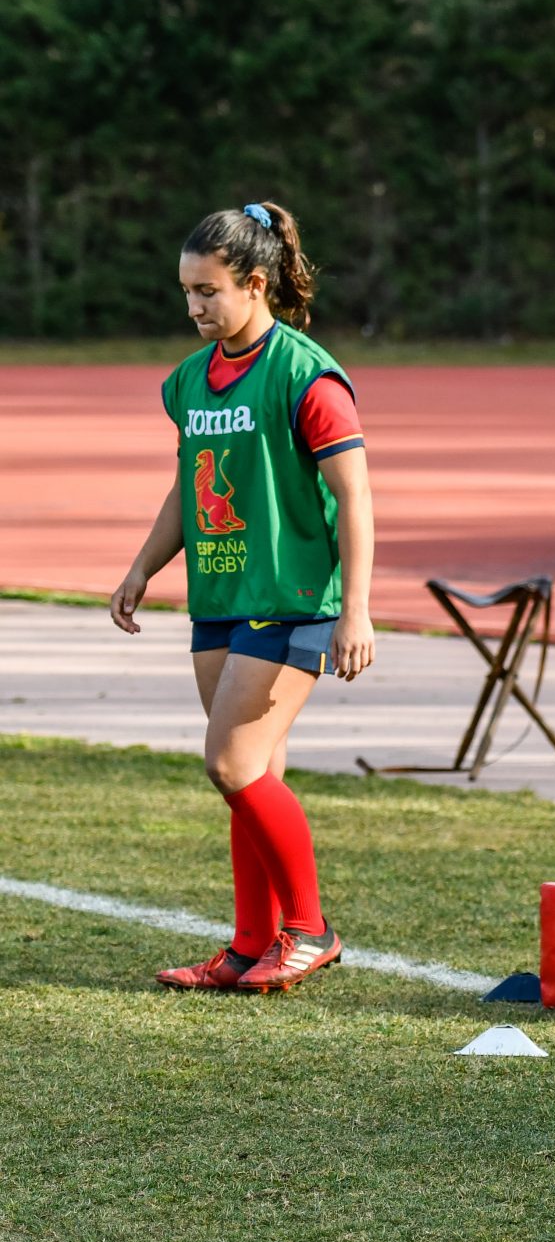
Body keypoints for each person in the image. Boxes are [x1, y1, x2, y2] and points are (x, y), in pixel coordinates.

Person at [112, 201, 374, 994]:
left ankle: (310, 930)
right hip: (219, 594)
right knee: (253, 773)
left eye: (208, 291)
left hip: (290, 597)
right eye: (186, 292)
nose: (194, 307)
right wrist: (142, 566)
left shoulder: (305, 374)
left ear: (254, 284)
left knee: (230, 763)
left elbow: (356, 497)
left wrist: (355, 609)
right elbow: (190, 484)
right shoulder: (190, 381)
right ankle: (251, 943)